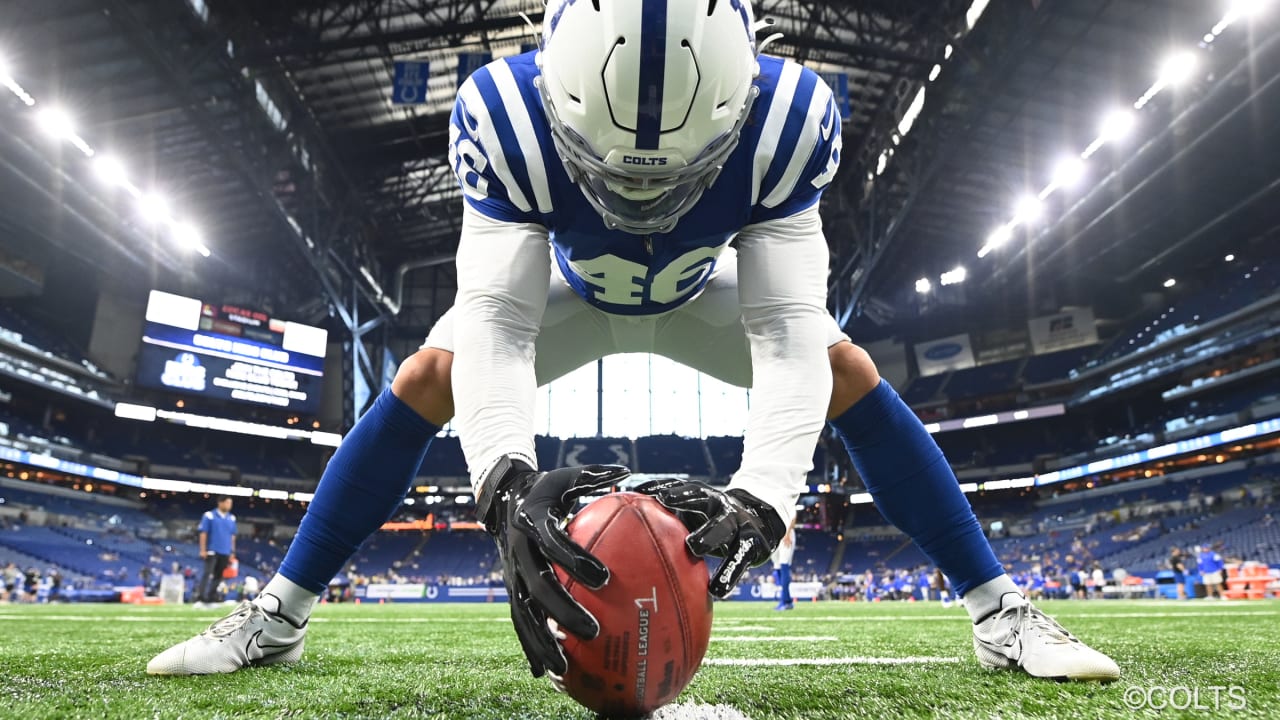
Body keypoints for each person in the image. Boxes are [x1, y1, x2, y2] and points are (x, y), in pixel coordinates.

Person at [148, 0, 1118, 682]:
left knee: (842, 367)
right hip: (567, 293)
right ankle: (275, 616)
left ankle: (998, 613)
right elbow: (498, 317)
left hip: (706, 297)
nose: (642, 199)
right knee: (429, 371)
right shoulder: (507, 115)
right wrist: (500, 484)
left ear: (735, 112)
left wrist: (764, 502)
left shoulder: (785, 121)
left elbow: (784, 326)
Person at [195, 497, 236, 608]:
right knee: (207, 573)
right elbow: (203, 533)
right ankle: (201, 596)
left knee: (219, 575)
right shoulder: (209, 515)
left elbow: (232, 536)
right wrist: (202, 550)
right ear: (220, 503)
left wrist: (232, 550)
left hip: (225, 551)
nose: (229, 505)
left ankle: (212, 596)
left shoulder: (232, 518)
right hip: (212, 550)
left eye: (230, 503)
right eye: (227, 502)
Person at [770, 524, 796, 610]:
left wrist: (787, 533)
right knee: (777, 567)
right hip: (774, 534)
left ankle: (784, 601)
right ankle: (787, 600)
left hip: (785, 533)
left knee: (784, 565)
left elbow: (793, 516)